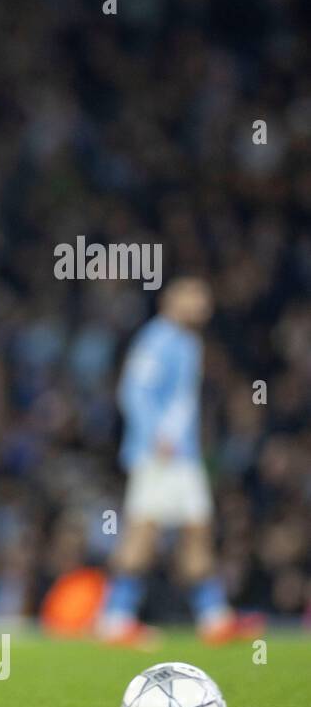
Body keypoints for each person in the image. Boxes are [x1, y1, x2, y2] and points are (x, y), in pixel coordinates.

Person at [98, 277, 264, 648]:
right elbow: (133, 390)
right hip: (159, 455)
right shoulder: (156, 339)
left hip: (184, 457)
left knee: (197, 530)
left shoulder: (189, 343)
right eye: (195, 296)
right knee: (143, 532)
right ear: (171, 301)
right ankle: (114, 618)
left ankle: (214, 618)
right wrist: (155, 434)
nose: (204, 304)